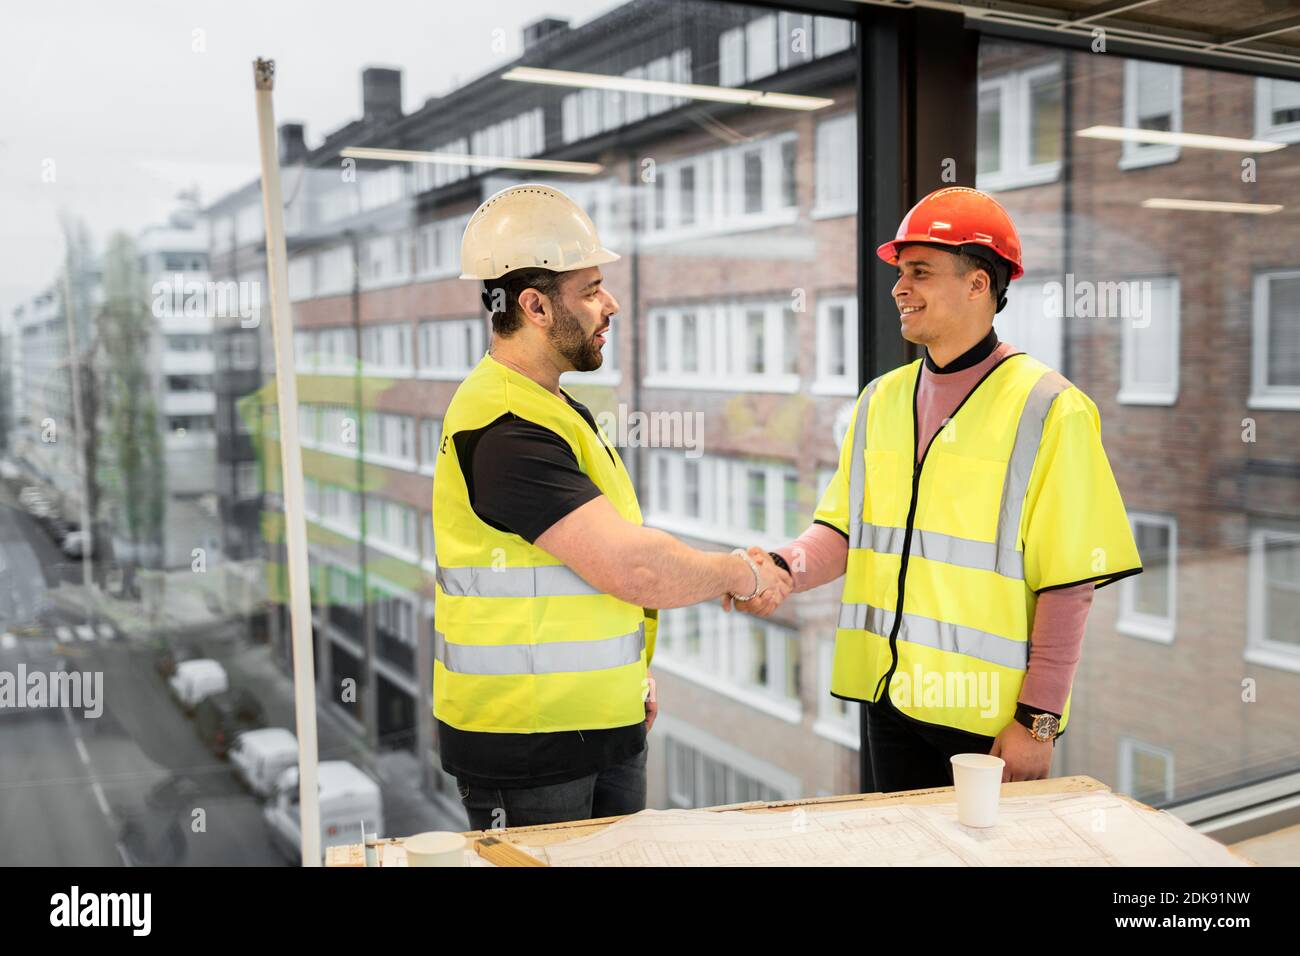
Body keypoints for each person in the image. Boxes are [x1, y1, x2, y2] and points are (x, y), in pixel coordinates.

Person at [728, 186, 1143, 793]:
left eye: (919, 272)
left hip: (987, 720)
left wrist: (1040, 720)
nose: (900, 288)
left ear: (980, 285)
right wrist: (782, 568)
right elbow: (844, 530)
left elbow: (1069, 582)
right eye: (900, 273)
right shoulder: (880, 400)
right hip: (889, 701)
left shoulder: (1051, 409)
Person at [434, 183, 792, 828]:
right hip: (530, 744)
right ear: (536, 306)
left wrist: (623, 684)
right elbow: (636, 568)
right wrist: (744, 571)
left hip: (595, 722)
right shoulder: (505, 429)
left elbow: (578, 581)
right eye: (592, 289)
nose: (612, 304)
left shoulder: (550, 407)